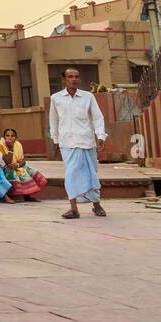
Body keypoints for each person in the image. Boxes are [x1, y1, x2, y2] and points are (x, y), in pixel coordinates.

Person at [49, 67, 107, 219]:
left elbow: (97, 118)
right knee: (71, 175)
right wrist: (55, 140)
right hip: (67, 142)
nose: (74, 79)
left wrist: (100, 136)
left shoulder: (88, 97)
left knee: (91, 173)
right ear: (64, 80)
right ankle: (73, 208)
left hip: (87, 141)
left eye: (76, 76)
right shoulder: (56, 98)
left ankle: (96, 204)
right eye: (70, 77)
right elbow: (53, 121)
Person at [0, 128, 47, 201]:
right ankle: (13, 196)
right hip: (5, 168)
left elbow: (23, 160)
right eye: (7, 135)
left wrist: (17, 165)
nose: (10, 138)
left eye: (12, 136)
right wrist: (10, 148)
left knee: (28, 169)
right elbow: (7, 161)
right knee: (12, 171)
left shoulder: (18, 144)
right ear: (4, 137)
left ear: (16, 137)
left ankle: (27, 195)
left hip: (16, 165)